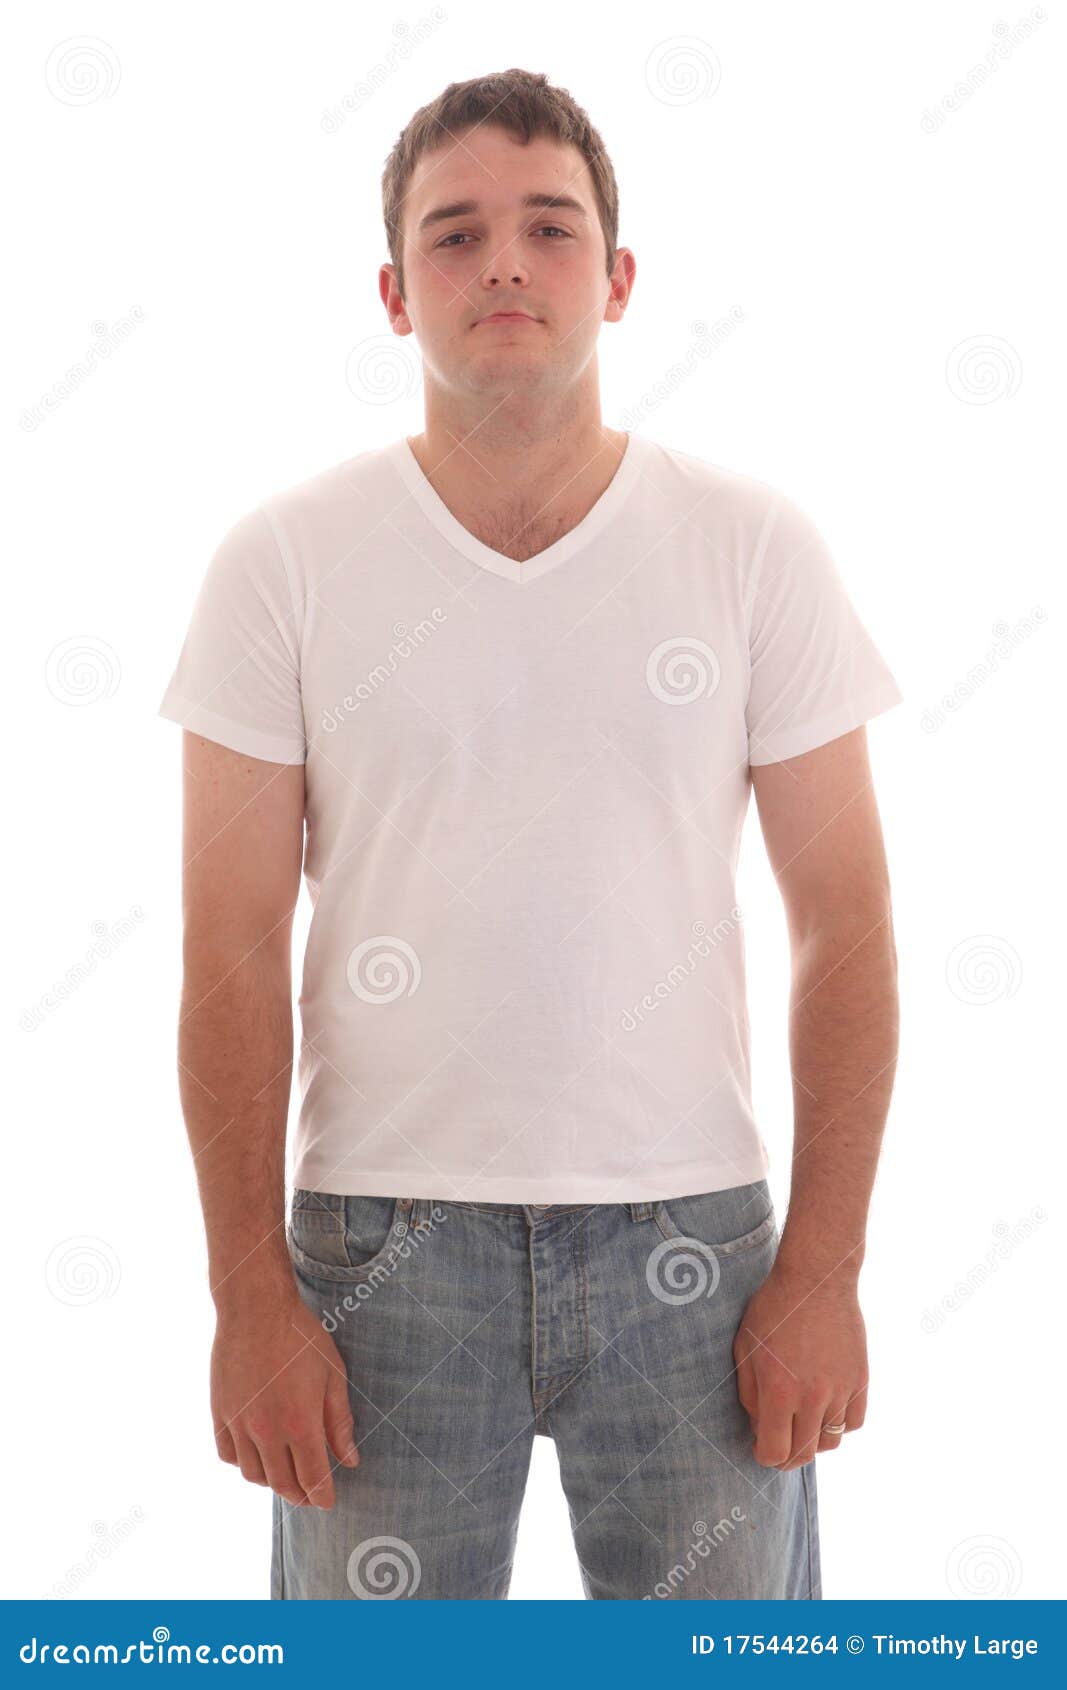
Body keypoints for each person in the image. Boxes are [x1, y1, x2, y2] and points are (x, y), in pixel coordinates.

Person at [158, 68, 902, 1601]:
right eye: (456, 235)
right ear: (393, 293)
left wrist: (823, 1268)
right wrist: (249, 1294)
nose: (504, 262)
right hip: (378, 1261)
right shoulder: (280, 565)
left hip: (692, 1248)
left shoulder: (752, 548)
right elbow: (229, 943)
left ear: (618, 280)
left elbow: (846, 918)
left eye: (550, 227)